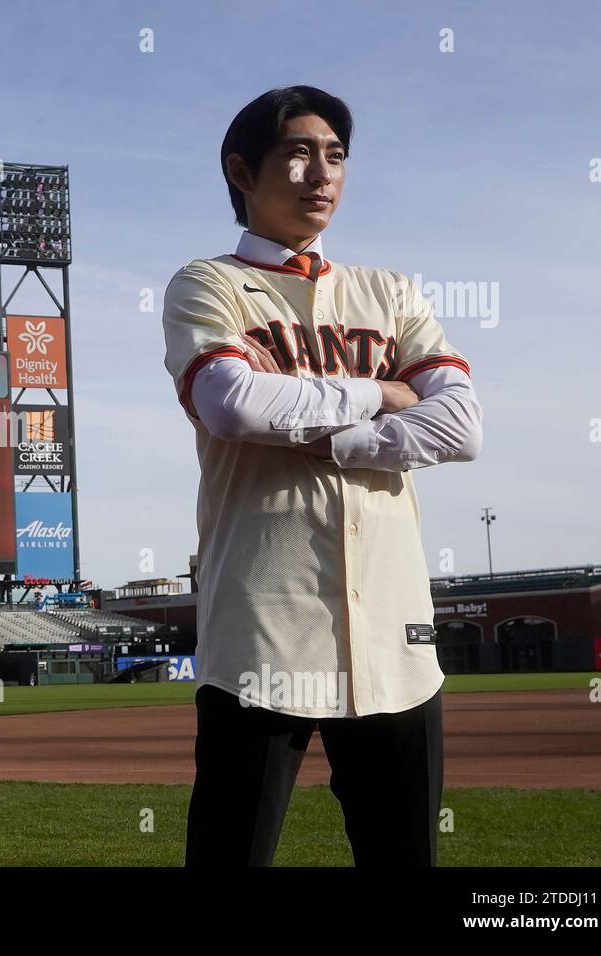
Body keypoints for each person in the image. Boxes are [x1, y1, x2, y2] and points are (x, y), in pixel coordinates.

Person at [163, 86, 483, 867]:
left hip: (395, 637)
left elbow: (461, 426)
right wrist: (379, 394)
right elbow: (233, 404)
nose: (322, 174)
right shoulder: (207, 283)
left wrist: (334, 440)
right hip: (264, 630)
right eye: (298, 153)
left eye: (336, 156)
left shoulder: (392, 292)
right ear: (242, 170)